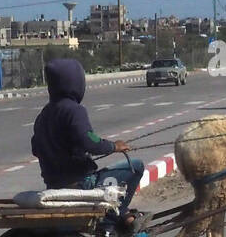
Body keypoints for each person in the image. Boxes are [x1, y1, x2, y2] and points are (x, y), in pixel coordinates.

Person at [31, 59, 145, 222]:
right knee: (137, 166)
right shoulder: (74, 110)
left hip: (53, 184)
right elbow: (90, 141)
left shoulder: (44, 114)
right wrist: (114, 146)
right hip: (80, 183)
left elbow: (36, 148)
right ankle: (115, 218)